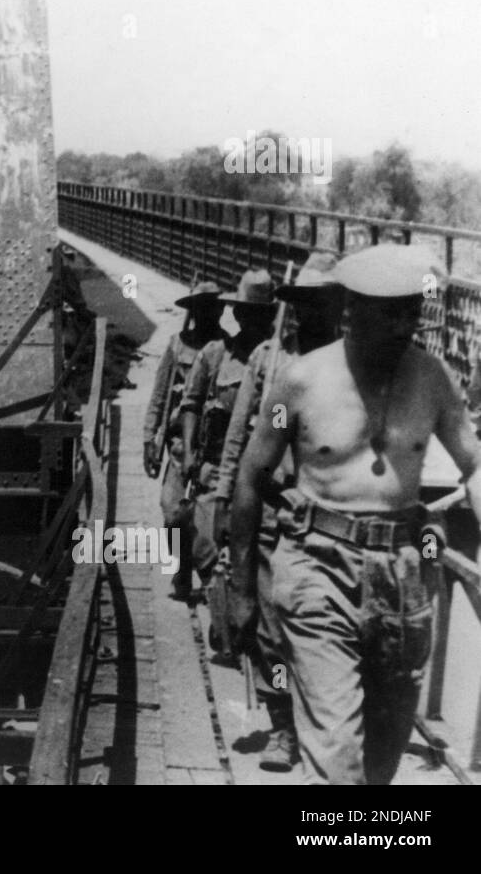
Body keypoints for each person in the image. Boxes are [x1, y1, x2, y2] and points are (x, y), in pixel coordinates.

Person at [228, 244, 481, 785]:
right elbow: (249, 478)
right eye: (389, 312)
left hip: (404, 579)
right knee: (338, 754)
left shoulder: (434, 379)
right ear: (352, 309)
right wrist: (242, 588)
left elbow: (474, 467)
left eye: (412, 311)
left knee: (381, 756)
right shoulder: (297, 381)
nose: (403, 325)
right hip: (318, 566)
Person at [211, 252, 343, 771]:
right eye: (305, 303)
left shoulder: (354, 367)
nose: (314, 314)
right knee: (270, 633)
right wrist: (225, 499)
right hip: (273, 515)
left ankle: (323, 728)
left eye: (324, 303)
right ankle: (283, 727)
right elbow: (239, 441)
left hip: (331, 520)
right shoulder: (271, 363)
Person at [178, 270, 276, 614]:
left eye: (263, 314)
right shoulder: (216, 355)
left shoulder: (279, 361)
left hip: (267, 475)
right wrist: (190, 452)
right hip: (218, 468)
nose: (255, 321)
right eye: (248, 313)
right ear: (236, 314)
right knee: (206, 545)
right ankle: (219, 613)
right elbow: (190, 403)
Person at [143, 279, 225, 600]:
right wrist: (150, 440)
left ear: (220, 310)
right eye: (200, 308)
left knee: (205, 523)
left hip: (210, 450)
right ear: (193, 311)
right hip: (178, 447)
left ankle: (202, 579)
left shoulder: (225, 348)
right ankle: (181, 564)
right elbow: (159, 395)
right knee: (173, 512)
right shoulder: (178, 345)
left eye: (212, 307)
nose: (207, 314)